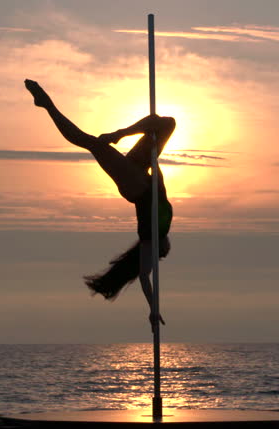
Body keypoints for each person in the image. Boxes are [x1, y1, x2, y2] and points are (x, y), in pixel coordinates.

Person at [24, 79, 174, 332]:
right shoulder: (164, 225)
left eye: (164, 253)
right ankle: (120, 134)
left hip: (136, 186)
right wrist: (155, 156)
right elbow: (161, 185)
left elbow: (145, 278)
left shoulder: (151, 238)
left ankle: (47, 105)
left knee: (90, 142)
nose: (168, 250)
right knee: (166, 122)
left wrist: (153, 310)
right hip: (142, 173)